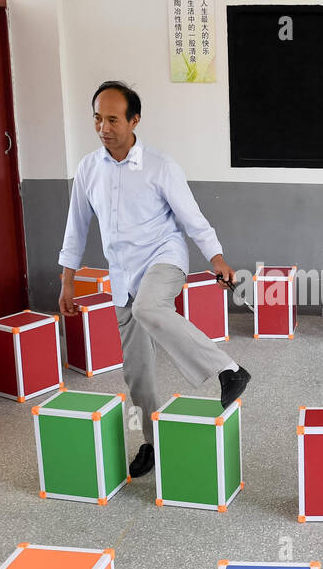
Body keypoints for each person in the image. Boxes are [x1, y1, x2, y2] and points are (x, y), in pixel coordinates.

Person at [58, 81, 250, 478]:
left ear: (134, 120)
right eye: (97, 118)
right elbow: (75, 227)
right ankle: (152, 442)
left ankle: (228, 369)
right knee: (138, 373)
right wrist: (67, 281)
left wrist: (216, 258)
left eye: (113, 119)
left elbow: (191, 217)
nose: (103, 127)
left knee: (149, 306)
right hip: (121, 275)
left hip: (163, 259)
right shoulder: (87, 169)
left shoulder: (161, 166)